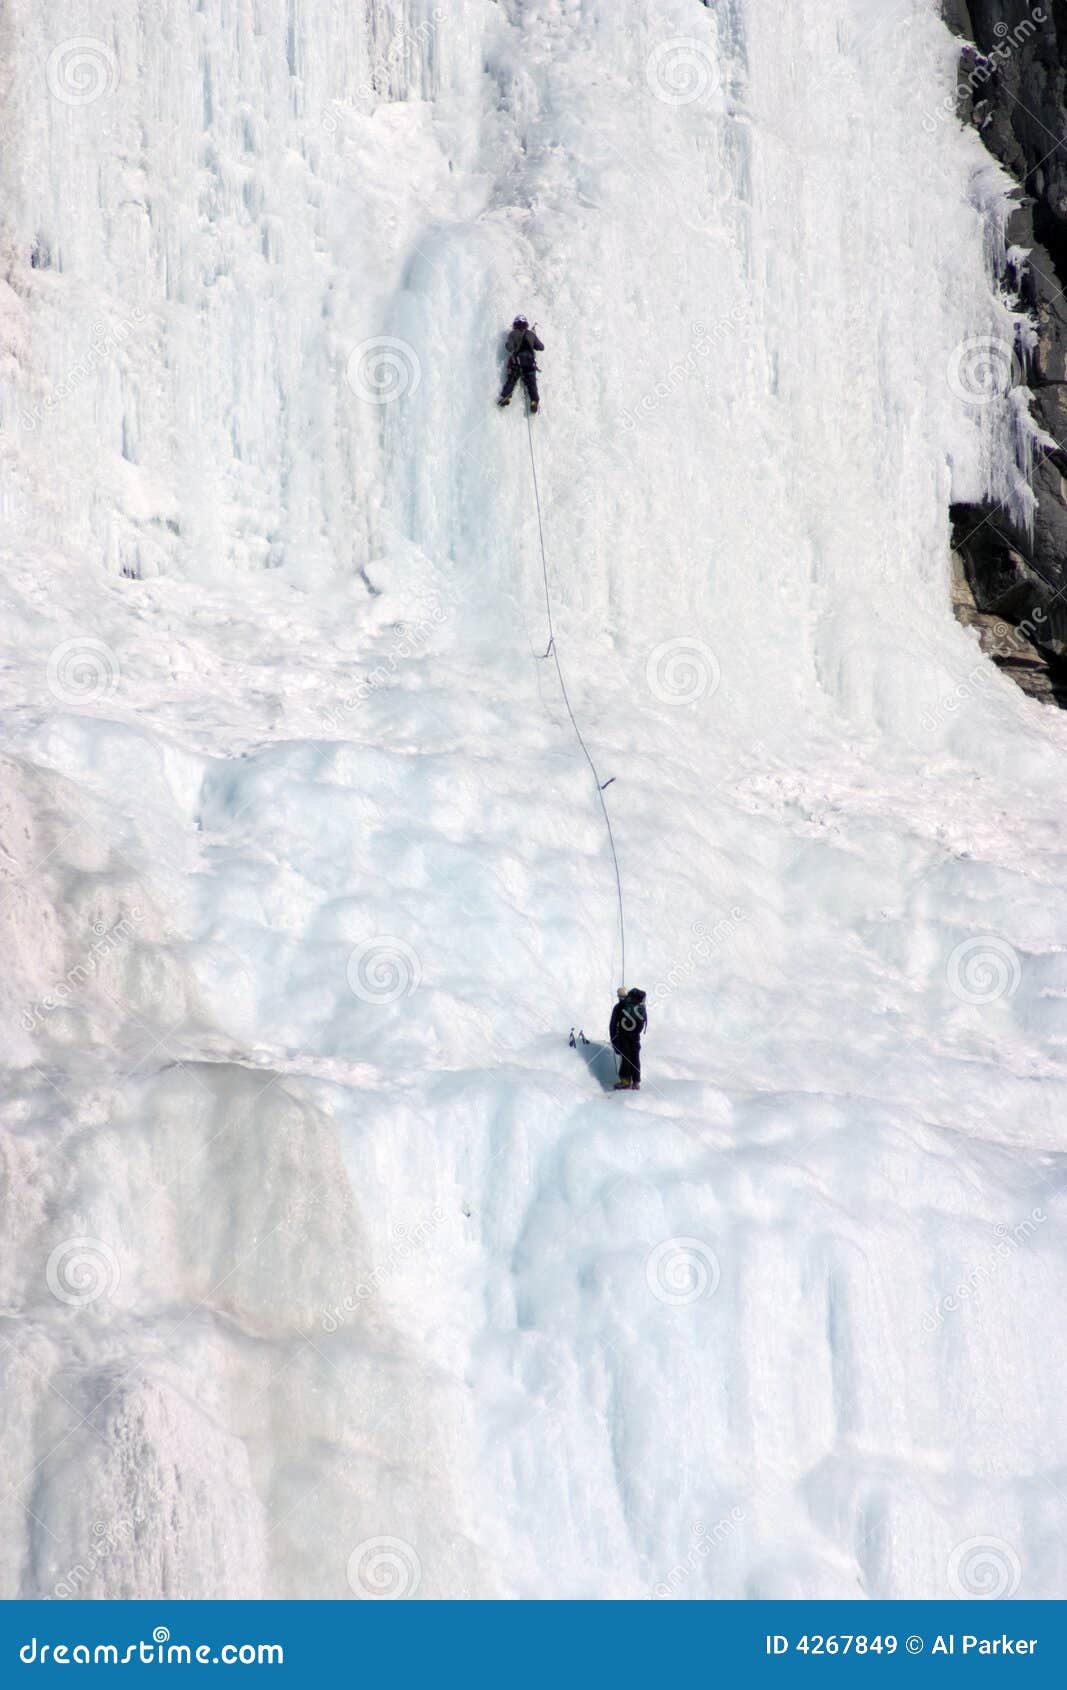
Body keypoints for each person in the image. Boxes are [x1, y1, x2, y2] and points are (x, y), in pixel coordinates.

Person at [498, 316, 544, 412]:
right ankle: (534, 401)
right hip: (530, 363)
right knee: (532, 384)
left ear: (515, 324)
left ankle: (506, 397)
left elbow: (509, 347)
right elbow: (541, 347)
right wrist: (533, 337)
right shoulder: (531, 334)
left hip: (517, 362)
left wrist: (508, 345)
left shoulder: (513, 334)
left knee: (511, 381)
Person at [610, 987, 647, 1090]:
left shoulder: (619, 1007)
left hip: (623, 1036)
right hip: (635, 1036)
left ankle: (625, 1081)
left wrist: (614, 1040)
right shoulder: (639, 1006)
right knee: (635, 1057)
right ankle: (636, 1082)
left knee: (626, 1058)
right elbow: (643, 1020)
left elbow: (613, 1025)